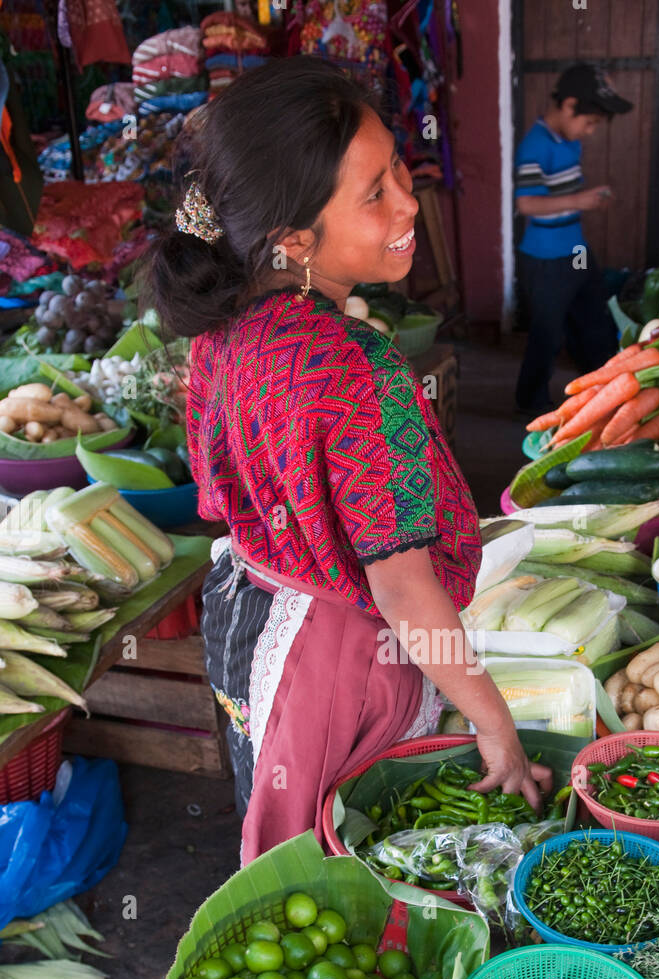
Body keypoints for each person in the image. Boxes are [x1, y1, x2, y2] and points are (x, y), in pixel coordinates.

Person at [144, 56, 551, 862]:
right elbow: (401, 588)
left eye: (399, 167)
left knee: (287, 827)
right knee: (350, 853)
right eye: (374, 194)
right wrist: (492, 723)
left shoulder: (221, 335)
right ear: (294, 238)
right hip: (337, 655)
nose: (407, 201)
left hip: (248, 622)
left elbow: (218, 495)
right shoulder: (358, 367)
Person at [514, 63, 632, 417]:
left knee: (595, 320)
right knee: (547, 335)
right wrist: (580, 201)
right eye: (589, 122)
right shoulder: (536, 145)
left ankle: (603, 390)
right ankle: (531, 404)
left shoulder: (569, 142)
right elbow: (527, 203)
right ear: (568, 106)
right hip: (545, 257)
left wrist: (588, 201)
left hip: (576, 250)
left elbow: (562, 195)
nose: (590, 132)